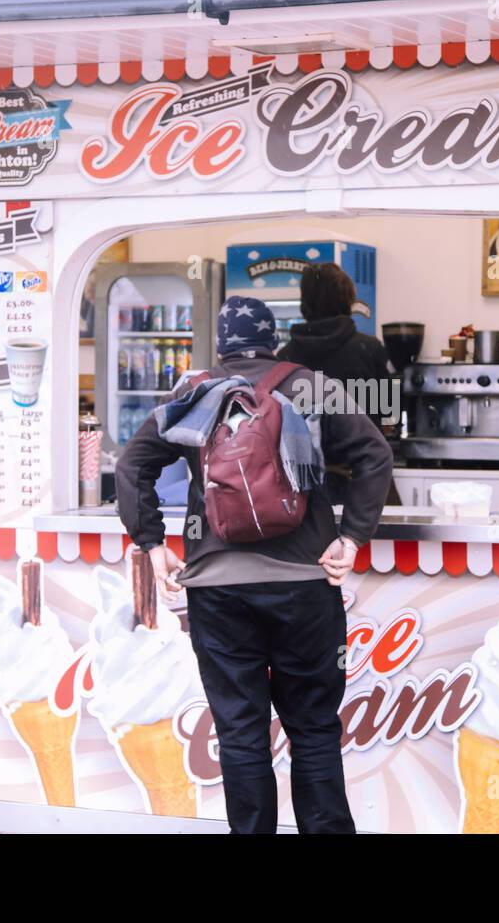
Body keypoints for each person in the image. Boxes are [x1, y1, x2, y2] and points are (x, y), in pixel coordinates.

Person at [116, 295, 393, 834]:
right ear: (273, 337)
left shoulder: (195, 391)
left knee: (241, 734)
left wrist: (153, 545)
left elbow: (132, 467)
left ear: (221, 342)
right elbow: (375, 456)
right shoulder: (311, 385)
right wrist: (352, 538)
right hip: (305, 584)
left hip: (217, 590)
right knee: (313, 729)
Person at [279, 261, 396, 504]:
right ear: (347, 300)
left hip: (304, 492)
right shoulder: (370, 349)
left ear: (305, 303)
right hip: (364, 484)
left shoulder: (284, 359)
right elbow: (389, 421)